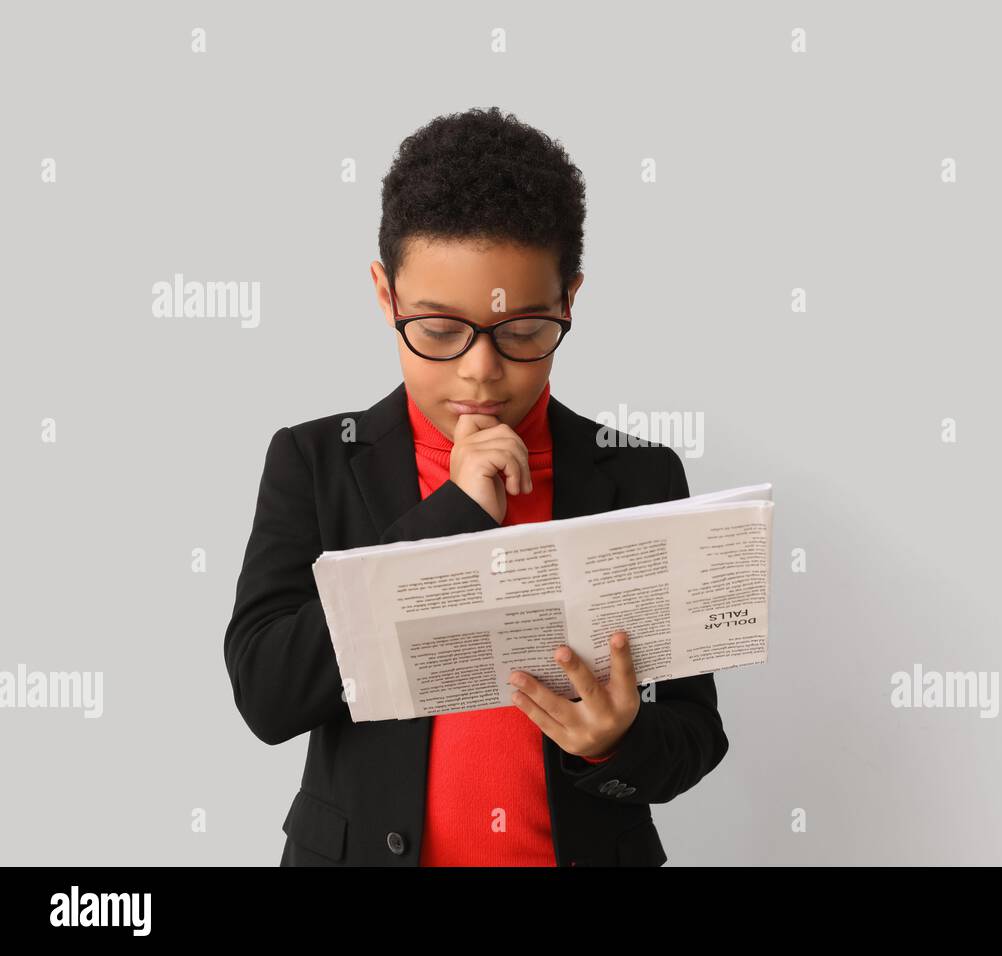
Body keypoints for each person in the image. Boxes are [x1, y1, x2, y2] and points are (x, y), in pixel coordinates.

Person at [222, 106, 729, 866]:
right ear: (386, 296)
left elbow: (693, 734)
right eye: (437, 330)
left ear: (568, 303)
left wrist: (615, 744)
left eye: (522, 331)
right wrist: (448, 519)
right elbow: (268, 694)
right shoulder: (316, 460)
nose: (479, 371)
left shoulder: (640, 474)